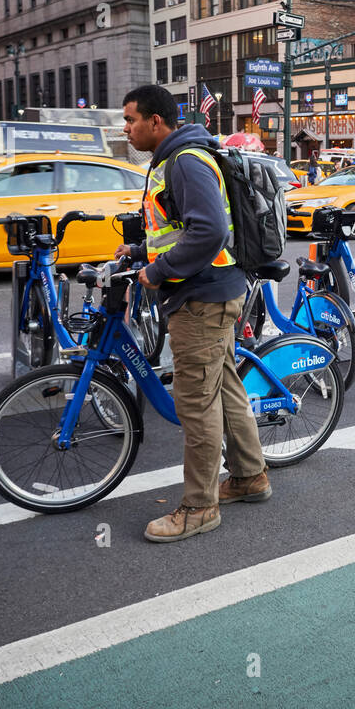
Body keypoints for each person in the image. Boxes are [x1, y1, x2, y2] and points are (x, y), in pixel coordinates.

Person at [118, 84, 269, 542]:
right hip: (212, 293)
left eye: (130, 120)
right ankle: (249, 477)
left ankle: (200, 507)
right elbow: (181, 226)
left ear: (156, 121)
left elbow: (209, 230)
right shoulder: (177, 159)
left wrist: (158, 271)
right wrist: (142, 249)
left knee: (196, 404)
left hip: (202, 298)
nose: (125, 129)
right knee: (223, 388)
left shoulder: (184, 161)